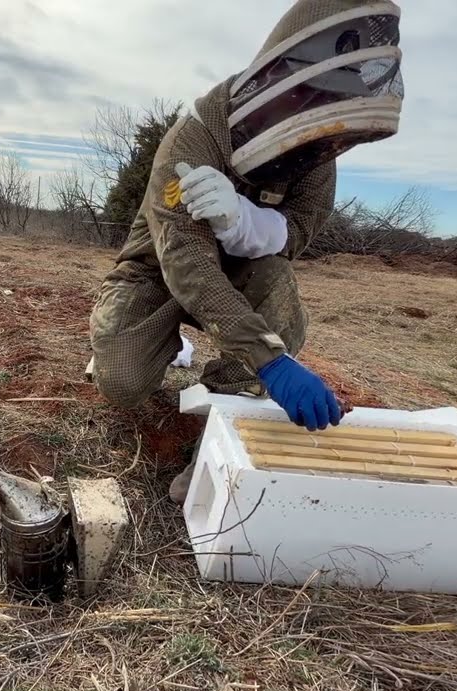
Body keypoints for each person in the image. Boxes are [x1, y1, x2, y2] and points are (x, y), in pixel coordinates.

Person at [88, 0, 405, 502]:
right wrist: (271, 359)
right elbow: (185, 263)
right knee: (123, 383)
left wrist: (242, 223)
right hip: (158, 272)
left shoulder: (317, 147)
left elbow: (297, 232)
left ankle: (223, 418)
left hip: (241, 272)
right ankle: (158, 342)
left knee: (279, 298)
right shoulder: (195, 135)